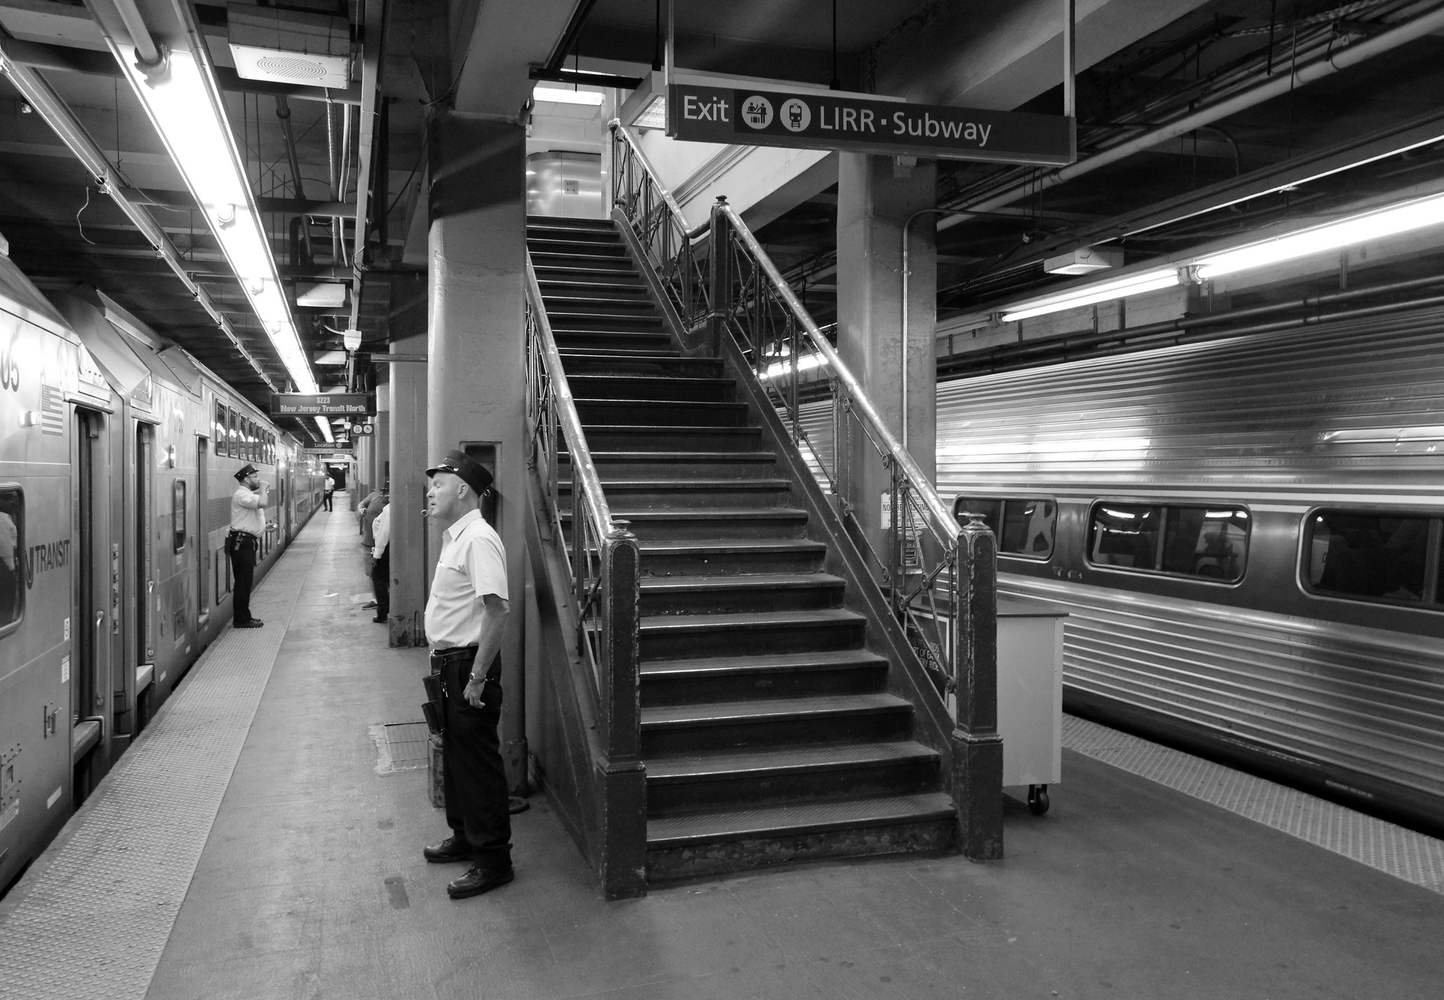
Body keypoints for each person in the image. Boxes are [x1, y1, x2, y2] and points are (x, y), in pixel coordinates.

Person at [421, 450, 512, 899]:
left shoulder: (477, 538)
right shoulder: (455, 537)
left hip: (468, 669)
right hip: (450, 666)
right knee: (457, 760)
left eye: (437, 484)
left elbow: (497, 612)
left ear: (463, 489)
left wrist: (476, 679)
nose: (430, 492)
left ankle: (494, 859)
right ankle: (463, 837)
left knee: (477, 766)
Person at [228, 463, 270, 629]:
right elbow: (263, 503)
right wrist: (263, 488)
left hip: (246, 542)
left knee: (245, 581)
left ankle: (243, 616)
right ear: (246, 479)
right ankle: (241, 619)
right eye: (255, 477)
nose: (258, 480)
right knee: (243, 582)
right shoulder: (241, 495)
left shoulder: (247, 494)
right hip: (242, 543)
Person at [370, 496, 390, 623]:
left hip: (385, 550)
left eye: (386, 493)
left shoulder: (388, 510)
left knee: (378, 578)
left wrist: (376, 555)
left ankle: (383, 612)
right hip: (386, 549)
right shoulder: (389, 509)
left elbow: (383, 535)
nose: (383, 496)